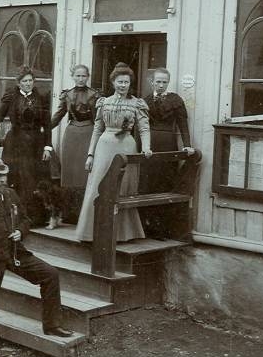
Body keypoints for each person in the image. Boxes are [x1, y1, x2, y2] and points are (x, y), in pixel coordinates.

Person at [0, 158, 73, 357]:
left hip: (15, 252)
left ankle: (52, 325)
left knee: (50, 275)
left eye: (4, 175)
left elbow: (26, 219)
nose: (3, 179)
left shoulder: (11, 195)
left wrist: (21, 231)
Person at [75, 63, 152, 243]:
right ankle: (91, 233)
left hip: (126, 146)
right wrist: (90, 154)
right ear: (113, 82)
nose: (123, 85)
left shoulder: (136, 104)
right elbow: (97, 129)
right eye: (120, 81)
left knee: (124, 188)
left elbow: (144, 128)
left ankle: (123, 234)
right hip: (104, 147)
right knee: (97, 186)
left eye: (126, 82)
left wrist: (146, 147)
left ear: (130, 83)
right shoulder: (104, 102)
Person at [0, 66, 52, 206]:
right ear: (19, 83)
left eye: (30, 80)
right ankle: (15, 212)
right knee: (18, 178)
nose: (28, 83)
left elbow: (47, 124)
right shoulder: (11, 97)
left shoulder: (40, 98)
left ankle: (33, 217)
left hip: (35, 144)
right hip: (16, 143)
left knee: (33, 178)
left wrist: (48, 147)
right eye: (25, 81)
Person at [141, 69, 196, 238]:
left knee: (165, 184)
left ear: (168, 82)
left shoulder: (175, 100)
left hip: (167, 144)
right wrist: (141, 146)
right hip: (149, 145)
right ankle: (147, 227)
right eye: (158, 81)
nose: (161, 84)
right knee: (148, 184)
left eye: (164, 82)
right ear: (152, 82)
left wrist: (187, 145)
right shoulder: (145, 101)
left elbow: (182, 124)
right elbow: (140, 126)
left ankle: (162, 229)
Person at [49, 64, 100, 194]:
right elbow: (59, 115)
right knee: (69, 171)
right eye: (78, 76)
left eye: (84, 76)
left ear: (88, 77)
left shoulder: (94, 95)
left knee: (84, 171)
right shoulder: (67, 95)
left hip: (88, 133)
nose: (81, 79)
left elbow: (98, 120)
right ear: (73, 77)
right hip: (71, 134)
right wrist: (45, 129)